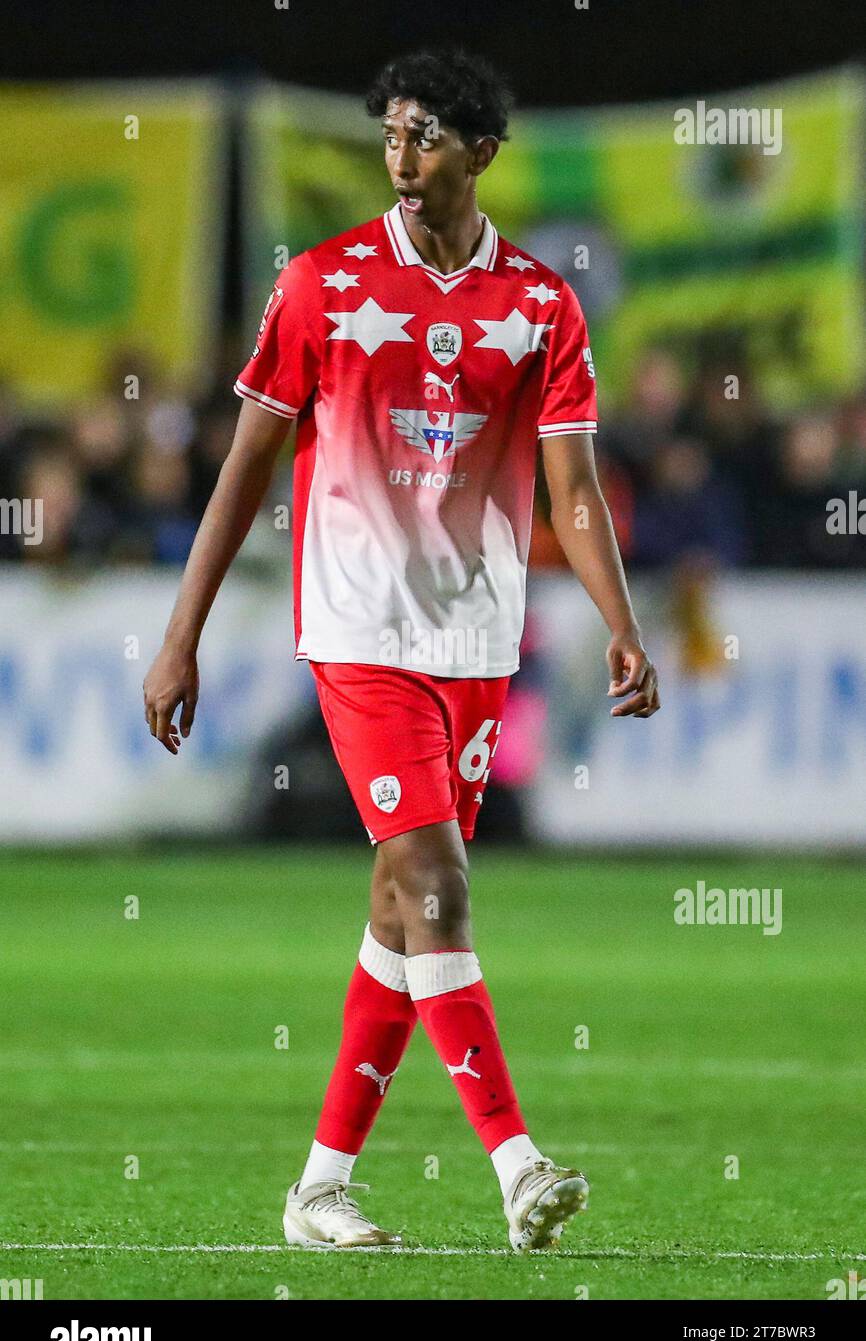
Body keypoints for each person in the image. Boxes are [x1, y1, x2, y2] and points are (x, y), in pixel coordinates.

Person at [143, 47, 660, 1254]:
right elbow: (245, 465)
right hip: (358, 632)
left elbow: (571, 488)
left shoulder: (538, 304)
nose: (401, 157)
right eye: (391, 135)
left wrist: (622, 621)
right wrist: (181, 634)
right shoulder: (321, 286)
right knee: (438, 886)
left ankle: (317, 1188)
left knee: (396, 909)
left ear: (481, 153)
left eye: (426, 138)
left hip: (475, 642)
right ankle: (517, 1163)